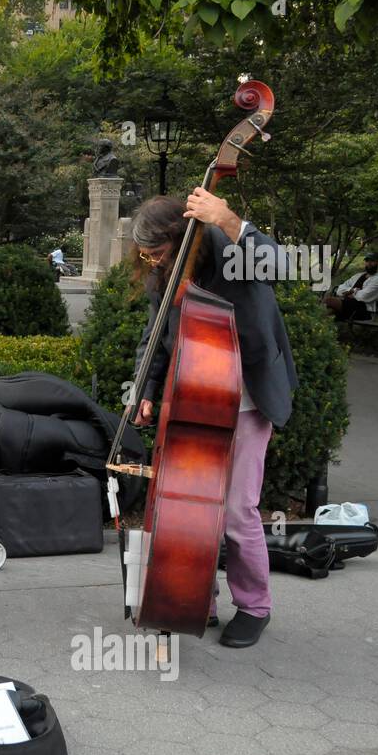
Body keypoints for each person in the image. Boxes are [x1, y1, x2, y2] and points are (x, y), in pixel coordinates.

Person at [130, 190, 298, 649]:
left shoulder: (230, 251)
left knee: (237, 511)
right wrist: (145, 390)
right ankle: (195, 596)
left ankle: (255, 606)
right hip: (192, 402)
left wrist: (229, 219)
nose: (152, 263)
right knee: (188, 507)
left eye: (158, 253)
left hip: (244, 398)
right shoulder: (164, 273)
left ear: (183, 237)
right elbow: (156, 333)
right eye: (145, 256)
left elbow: (285, 267)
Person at [325, 252, 378, 320]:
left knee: (330, 302)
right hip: (348, 305)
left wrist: (350, 292)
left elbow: (363, 296)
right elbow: (340, 289)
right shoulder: (358, 275)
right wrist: (353, 291)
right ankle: (321, 325)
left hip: (364, 310)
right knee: (330, 307)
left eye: (372, 261)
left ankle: (319, 325)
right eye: (367, 261)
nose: (369, 263)